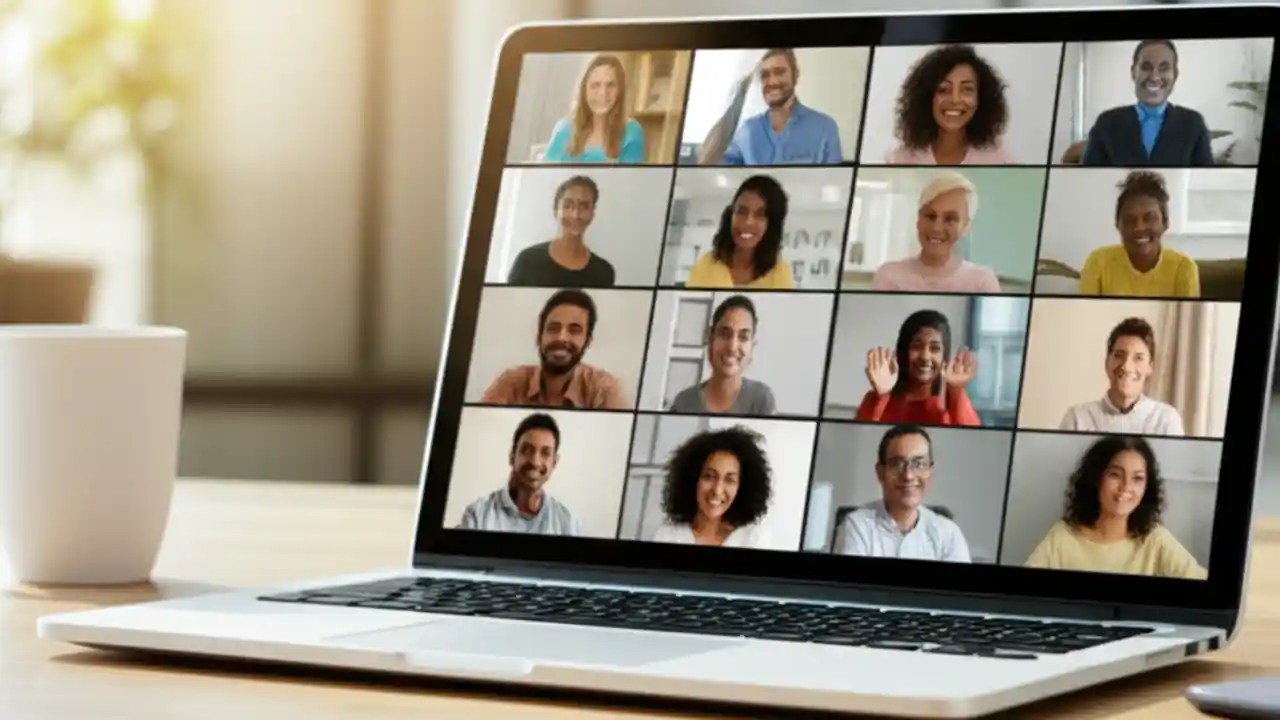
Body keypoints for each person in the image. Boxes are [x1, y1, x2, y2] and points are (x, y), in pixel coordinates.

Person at [1025, 435, 1206, 579]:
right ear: (1096, 478)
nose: (1126, 487)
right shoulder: (1061, 537)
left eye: (1137, 478)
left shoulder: (1156, 540)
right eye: (1115, 475)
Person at [832, 425, 971, 562]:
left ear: (930, 471)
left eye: (918, 464)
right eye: (897, 464)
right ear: (880, 472)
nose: (908, 475)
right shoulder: (857, 526)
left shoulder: (948, 533)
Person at [482, 289, 629, 409]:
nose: (561, 337)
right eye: (553, 328)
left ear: (587, 341)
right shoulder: (511, 382)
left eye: (574, 330)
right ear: (539, 337)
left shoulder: (604, 389)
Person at [1081, 40, 1213, 167]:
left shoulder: (1193, 124)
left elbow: (1207, 179)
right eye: (1146, 67)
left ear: (1175, 75)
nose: (1155, 77)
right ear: (1133, 72)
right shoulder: (1107, 123)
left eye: (1164, 68)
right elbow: (1087, 179)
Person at [871, 171, 1002, 292]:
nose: (936, 228)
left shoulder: (982, 281)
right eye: (930, 216)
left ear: (965, 227)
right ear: (918, 220)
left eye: (950, 219)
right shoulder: (889, 276)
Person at [1078, 170, 1200, 298]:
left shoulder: (1184, 268)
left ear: (1165, 223)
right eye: (1130, 220)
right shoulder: (1098, 262)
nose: (1139, 228)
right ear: (1117, 225)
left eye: (1149, 218)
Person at [885, 44, 1012, 165]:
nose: (955, 100)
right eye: (943, 89)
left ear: (981, 97)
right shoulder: (900, 160)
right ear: (927, 98)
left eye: (967, 89)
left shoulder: (998, 160)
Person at [458, 413, 582, 535]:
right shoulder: (478, 516)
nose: (535, 462)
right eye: (527, 450)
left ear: (554, 463)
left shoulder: (567, 522)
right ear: (512, 457)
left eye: (545, 453)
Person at [650, 425, 773, 548]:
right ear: (693, 480)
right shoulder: (667, 536)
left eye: (729, 480)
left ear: (742, 487)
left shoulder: (754, 539)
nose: (717, 490)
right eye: (709, 477)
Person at [1059, 317, 1185, 435]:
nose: (1126, 366)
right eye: (1119, 355)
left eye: (1138, 358)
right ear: (1107, 362)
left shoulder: (1165, 420)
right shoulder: (1077, 419)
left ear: (1150, 367)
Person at [718, 49, 843, 165]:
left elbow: (836, 183)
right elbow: (710, 163)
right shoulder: (747, 131)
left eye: (779, 72)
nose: (772, 82)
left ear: (796, 75)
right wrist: (739, 93)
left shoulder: (824, 128)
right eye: (765, 75)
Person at [856, 310, 982, 426]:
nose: (925, 357)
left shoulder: (953, 402)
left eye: (935, 349)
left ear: (944, 357)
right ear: (903, 351)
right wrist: (881, 395)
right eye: (916, 346)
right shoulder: (878, 397)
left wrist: (956, 391)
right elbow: (860, 437)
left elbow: (972, 440)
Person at [669, 295, 777, 415]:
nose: (732, 347)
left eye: (743, 337)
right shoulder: (684, 402)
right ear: (710, 338)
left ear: (752, 346)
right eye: (724, 334)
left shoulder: (761, 399)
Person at [686, 175, 794, 289]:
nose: (748, 222)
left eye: (760, 215)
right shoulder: (706, 265)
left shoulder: (780, 272)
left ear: (772, 224)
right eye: (741, 211)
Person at [507, 175, 616, 287]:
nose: (576, 215)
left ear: (592, 213)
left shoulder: (604, 272)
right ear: (556, 211)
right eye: (567, 206)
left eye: (584, 206)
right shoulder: (528, 261)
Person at [542, 54, 646, 164]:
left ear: (620, 91)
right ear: (584, 90)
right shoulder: (563, 129)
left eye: (611, 85)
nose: (603, 93)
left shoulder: (632, 132)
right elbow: (545, 176)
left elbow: (631, 179)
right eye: (595, 85)